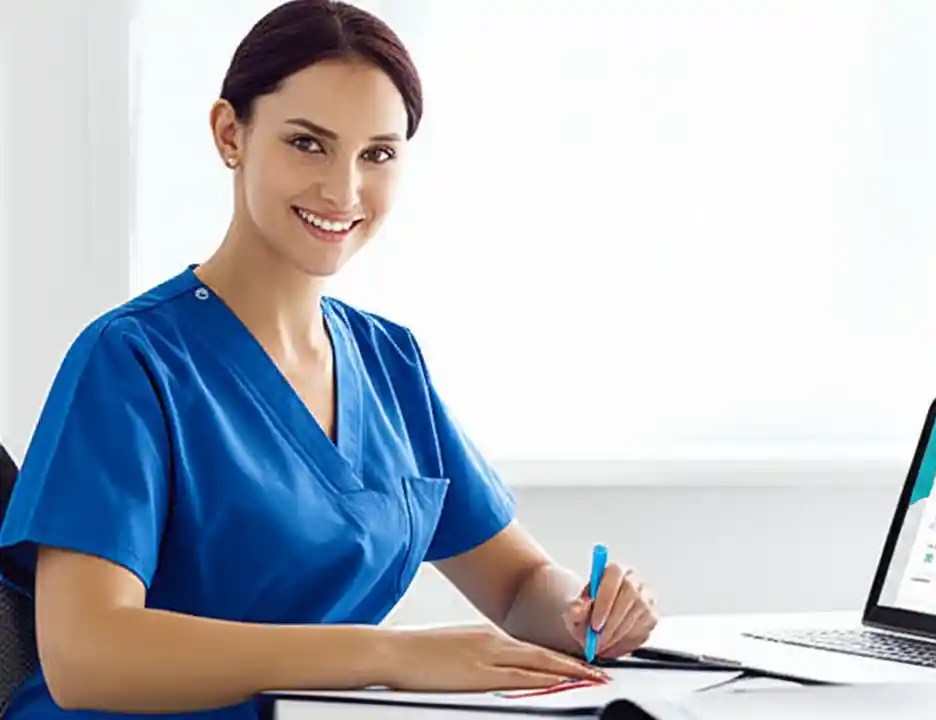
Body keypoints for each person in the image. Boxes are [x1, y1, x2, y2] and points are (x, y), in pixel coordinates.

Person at [0, 1, 658, 717]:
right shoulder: (132, 361)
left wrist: (584, 612)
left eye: (377, 154)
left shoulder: (390, 362)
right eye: (308, 144)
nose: (343, 190)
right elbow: (86, 655)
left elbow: (516, 584)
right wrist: (388, 656)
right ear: (231, 134)